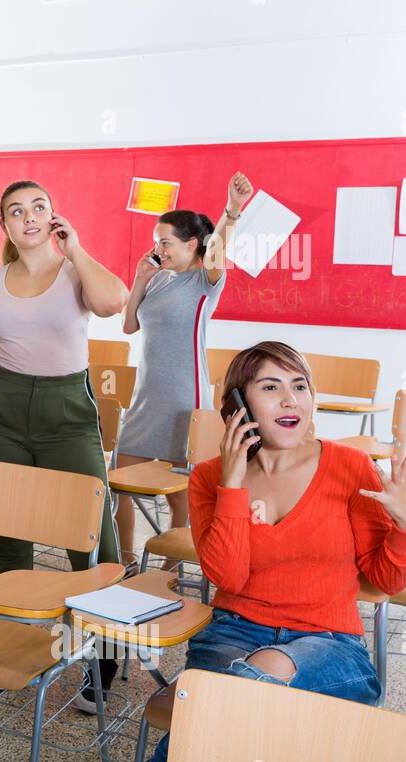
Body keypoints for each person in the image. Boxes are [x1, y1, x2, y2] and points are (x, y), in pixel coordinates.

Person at [139, 341, 406, 762]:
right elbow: (230, 579)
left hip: (329, 644)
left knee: (222, 702)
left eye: (300, 386)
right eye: (271, 387)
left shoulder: (351, 466)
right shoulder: (208, 478)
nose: (291, 399)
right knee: (239, 725)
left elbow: (386, 580)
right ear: (239, 405)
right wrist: (233, 485)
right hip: (232, 634)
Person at [0, 178, 128, 711]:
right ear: (4, 224)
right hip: (2, 411)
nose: (28, 217)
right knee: (9, 533)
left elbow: (115, 302)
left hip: (68, 413)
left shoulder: (75, 270)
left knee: (91, 535)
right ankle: (16, 647)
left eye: (38, 208)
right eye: (16, 211)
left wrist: (74, 247)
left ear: (52, 217)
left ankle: (104, 654)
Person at [114, 172, 254, 562]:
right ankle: (124, 560)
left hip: (183, 400)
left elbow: (219, 246)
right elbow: (128, 325)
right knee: (119, 485)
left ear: (192, 244)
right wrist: (141, 278)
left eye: (165, 242)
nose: (158, 248)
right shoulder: (158, 280)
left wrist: (233, 208)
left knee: (180, 495)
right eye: (155, 241)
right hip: (145, 400)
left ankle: (171, 563)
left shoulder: (204, 282)